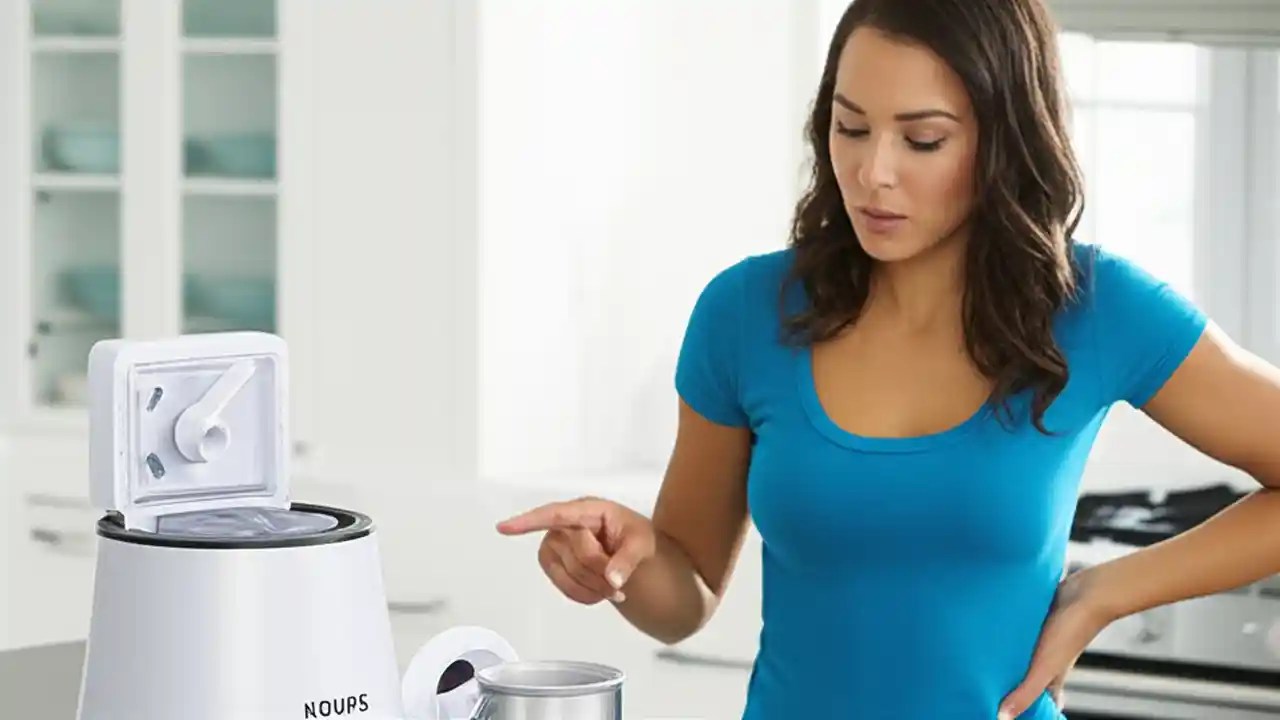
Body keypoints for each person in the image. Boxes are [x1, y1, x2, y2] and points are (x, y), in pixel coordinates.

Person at [496, 0, 1280, 717]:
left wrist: (1108, 591)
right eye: (850, 126)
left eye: (923, 138)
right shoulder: (745, 312)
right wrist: (624, 564)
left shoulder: (1098, 309)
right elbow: (687, 593)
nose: (874, 172)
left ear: (1004, 137)